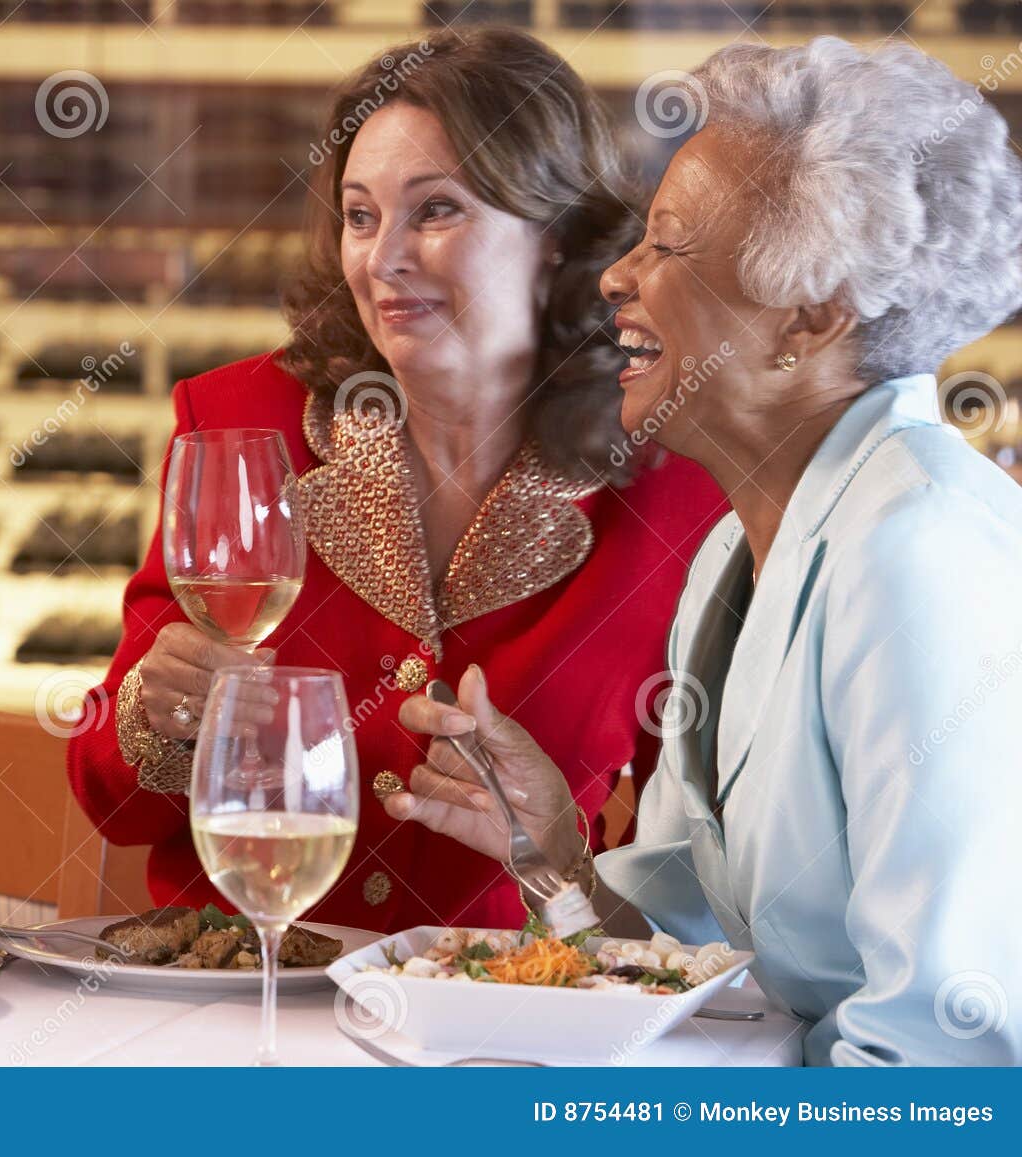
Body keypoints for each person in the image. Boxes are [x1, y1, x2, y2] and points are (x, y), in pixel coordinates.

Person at [392, 38, 1022, 1065]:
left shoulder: (925, 558)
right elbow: (693, 963)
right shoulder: (735, 546)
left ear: (811, 315)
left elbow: (950, 1062)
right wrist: (556, 855)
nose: (616, 278)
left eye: (667, 247)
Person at [67, 28, 725, 930]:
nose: (383, 260)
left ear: (558, 239)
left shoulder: (676, 490)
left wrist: (561, 861)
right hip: (236, 1009)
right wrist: (156, 709)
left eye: (436, 211)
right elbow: (113, 801)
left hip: (492, 1027)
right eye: (361, 214)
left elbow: (700, 904)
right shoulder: (241, 423)